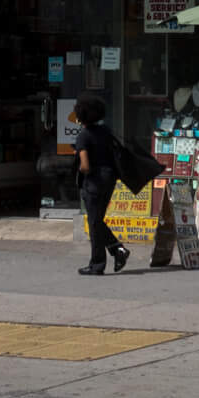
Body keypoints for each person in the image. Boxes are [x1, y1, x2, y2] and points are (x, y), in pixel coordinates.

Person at [73, 93, 129, 277]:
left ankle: (98, 264)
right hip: (109, 179)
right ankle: (117, 250)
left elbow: (85, 165)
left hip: (94, 182)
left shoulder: (83, 137)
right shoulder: (105, 131)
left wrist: (79, 170)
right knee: (97, 220)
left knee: (95, 222)